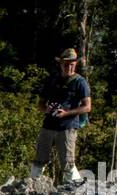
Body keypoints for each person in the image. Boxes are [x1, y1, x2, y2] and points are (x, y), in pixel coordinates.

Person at [31, 48, 91, 183]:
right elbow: (40, 102)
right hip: (48, 124)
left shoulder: (80, 82)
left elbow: (87, 106)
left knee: (68, 162)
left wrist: (66, 113)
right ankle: (33, 184)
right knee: (39, 158)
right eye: (66, 63)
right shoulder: (52, 80)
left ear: (75, 64)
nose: (69, 66)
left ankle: (74, 188)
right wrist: (46, 109)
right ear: (61, 63)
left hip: (68, 126)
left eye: (72, 64)